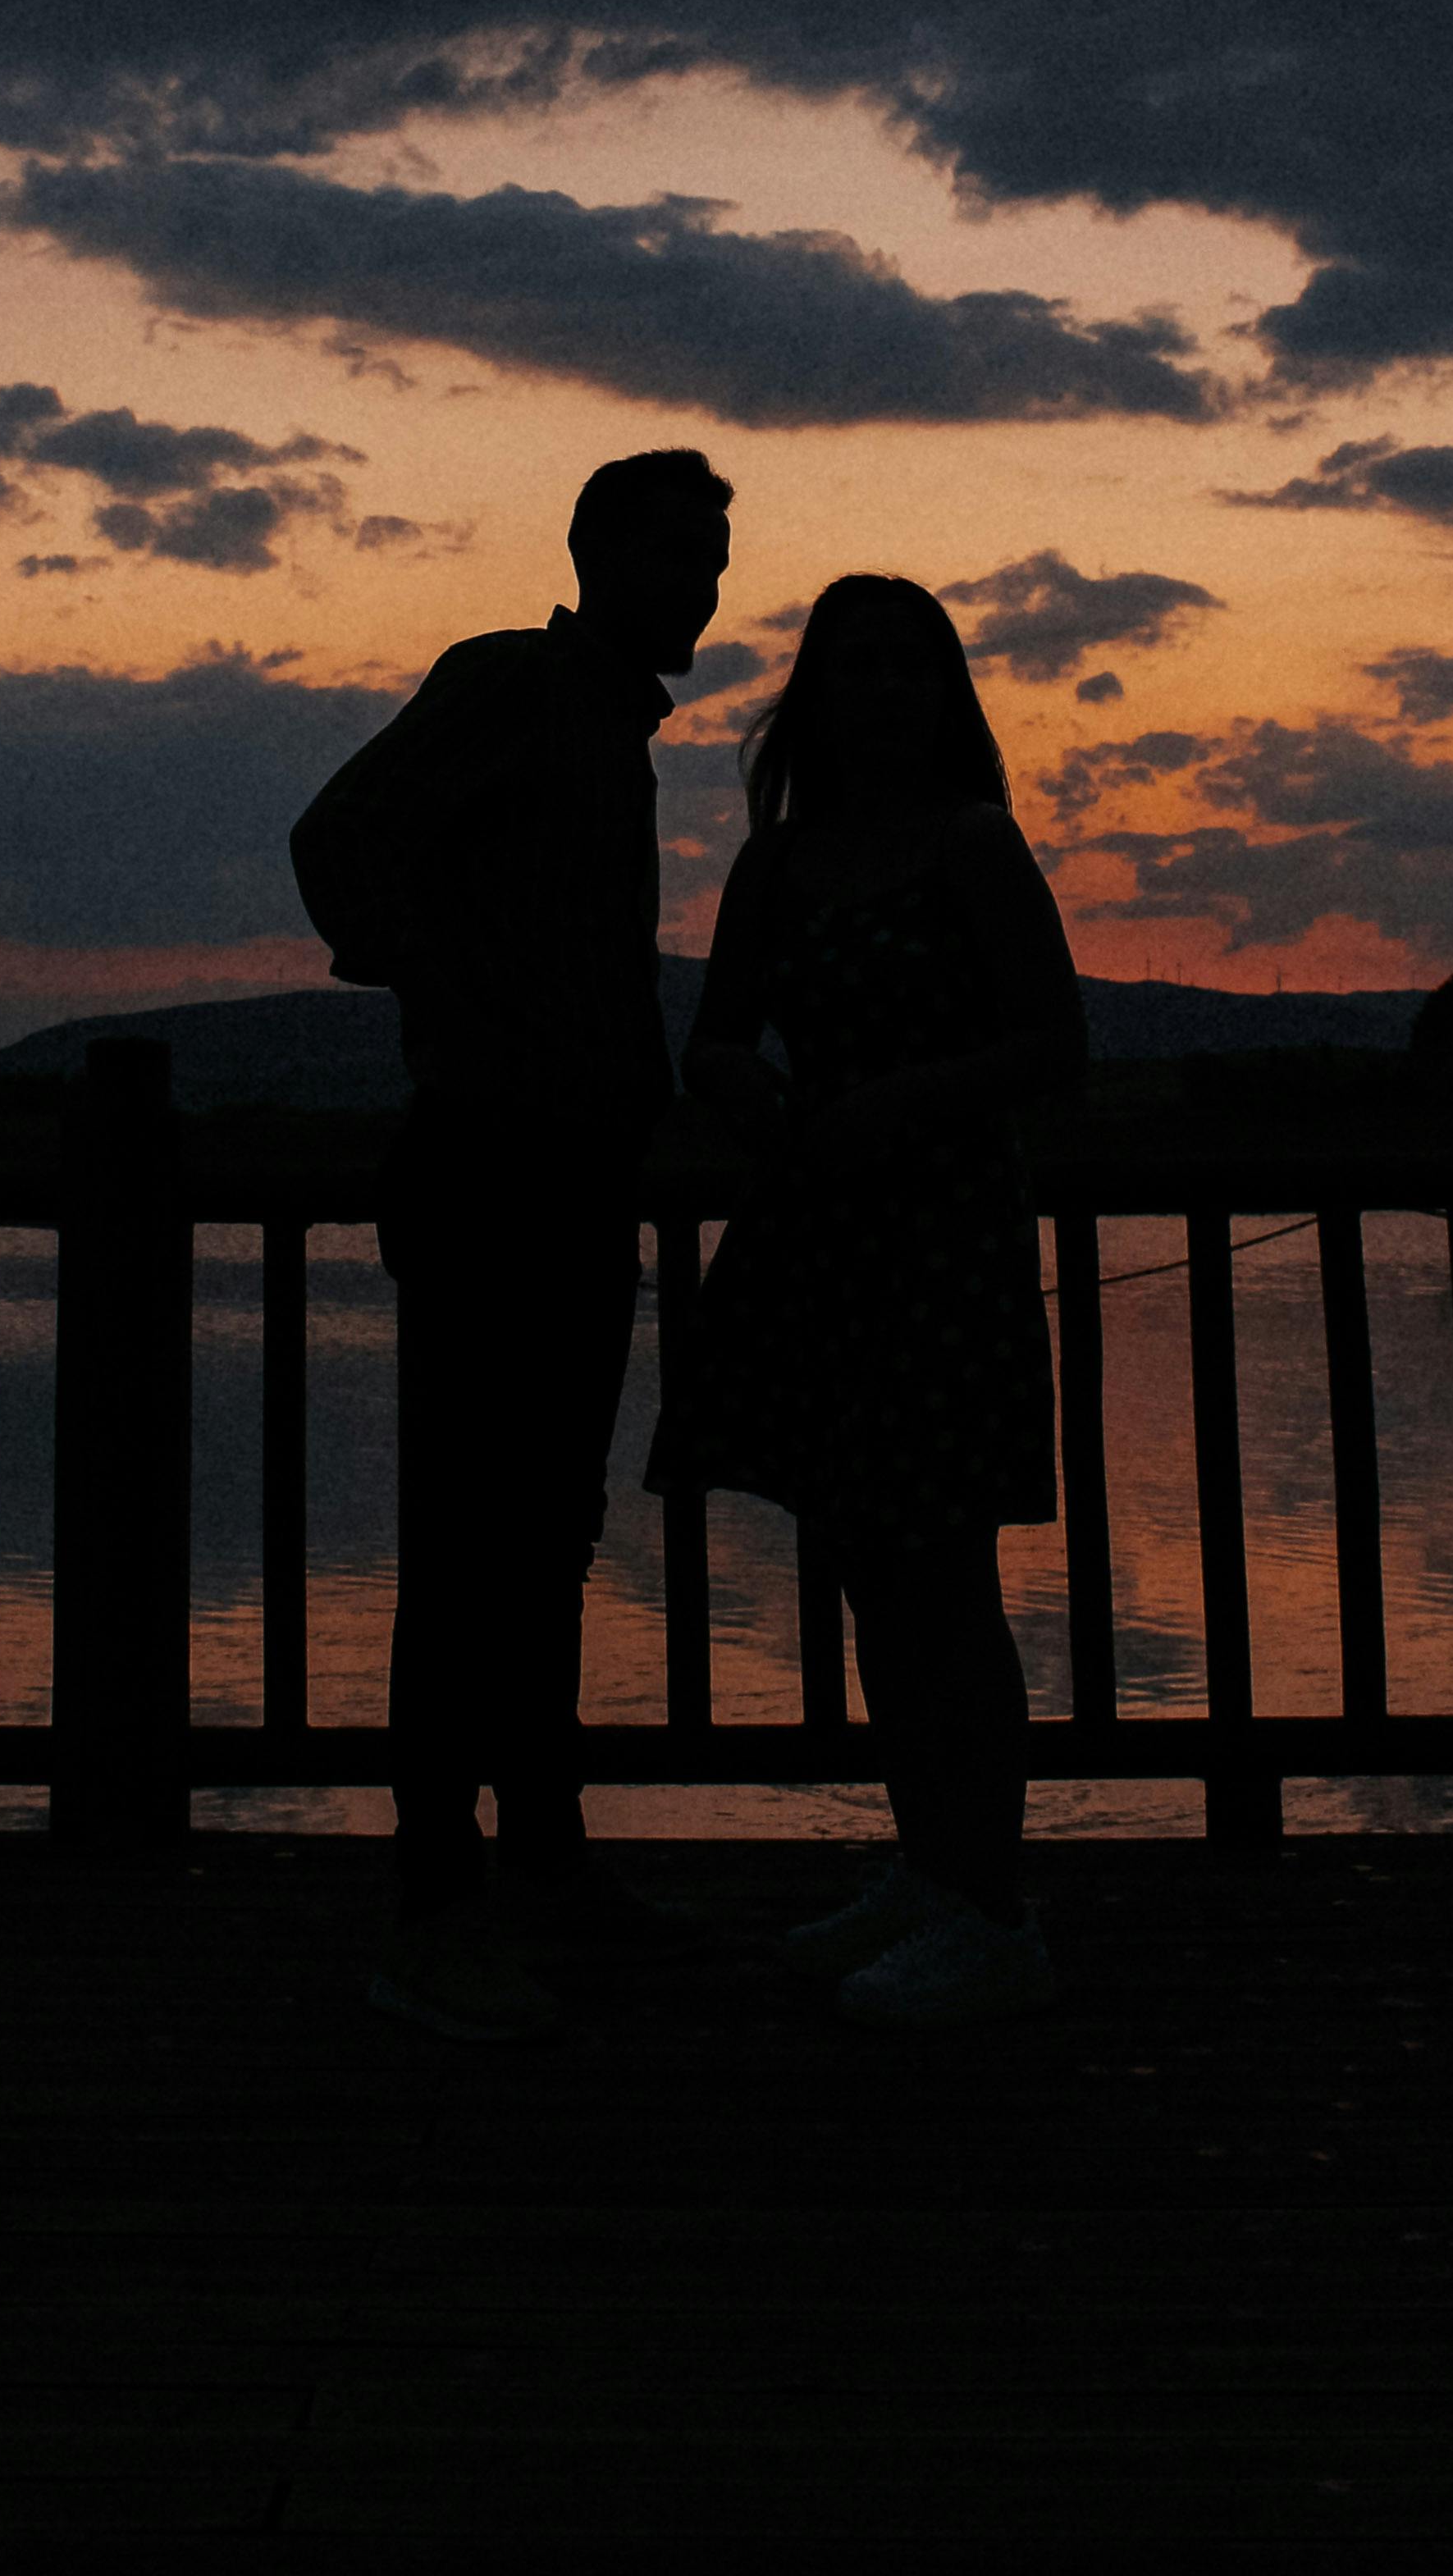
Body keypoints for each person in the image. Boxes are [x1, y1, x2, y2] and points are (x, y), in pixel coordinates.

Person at [289, 445, 734, 2045]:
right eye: (679, 554)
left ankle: (541, 1864)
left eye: (716, 561)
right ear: (601, 553)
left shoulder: (612, 728)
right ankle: (431, 1912)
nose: (704, 587)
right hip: (490, 1172)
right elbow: (338, 838)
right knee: (472, 1548)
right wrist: (454, 998)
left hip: (577, 1182)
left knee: (543, 1541)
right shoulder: (514, 684)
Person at [647, 573, 1085, 2033]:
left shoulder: (973, 844)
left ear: (947, 692)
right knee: (864, 1572)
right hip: (819, 1241)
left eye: (914, 666)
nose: (886, 690)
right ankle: (931, 1871)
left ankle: (991, 1913)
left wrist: (903, 1098)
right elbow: (710, 1041)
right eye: (859, 667)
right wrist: (743, 1089)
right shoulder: (774, 868)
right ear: (815, 695)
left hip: (942, 1244)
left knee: (944, 1581)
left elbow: (1053, 1042)